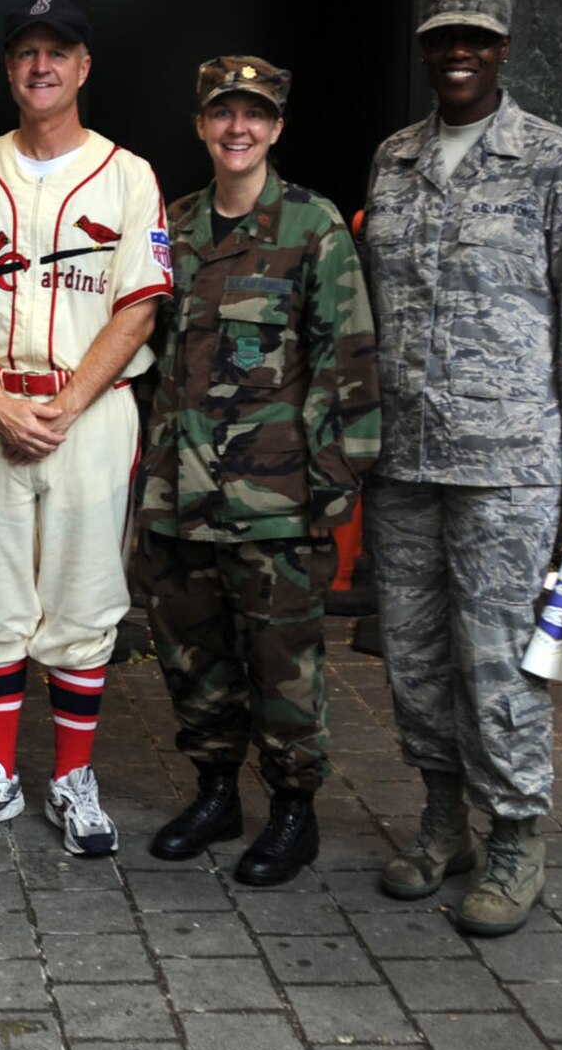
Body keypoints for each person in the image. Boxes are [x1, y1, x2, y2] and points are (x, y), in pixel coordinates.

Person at [362, 0, 562, 935]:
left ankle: (516, 832)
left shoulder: (552, 160)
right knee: (415, 654)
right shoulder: (394, 159)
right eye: (442, 39)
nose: (458, 53)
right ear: (426, 50)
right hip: (403, 461)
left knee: (501, 658)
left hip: (509, 462)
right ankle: (443, 822)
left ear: (504, 49)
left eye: (475, 38)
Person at [0, 0, 171, 855]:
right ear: (10, 68)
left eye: (58, 52)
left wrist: (67, 402)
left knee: (86, 599)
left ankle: (70, 778)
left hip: (89, 411)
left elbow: (140, 307)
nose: (41, 66)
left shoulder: (129, 174)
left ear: (84, 68)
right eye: (26, 52)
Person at [134, 56, 380, 885]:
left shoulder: (313, 228)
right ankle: (215, 793)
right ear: (202, 125)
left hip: (277, 498)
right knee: (191, 656)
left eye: (254, 114)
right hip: (178, 495)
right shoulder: (174, 223)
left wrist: (336, 486)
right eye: (221, 113)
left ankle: (292, 811)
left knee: (283, 665)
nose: (236, 127)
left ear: (276, 128)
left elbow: (348, 358)